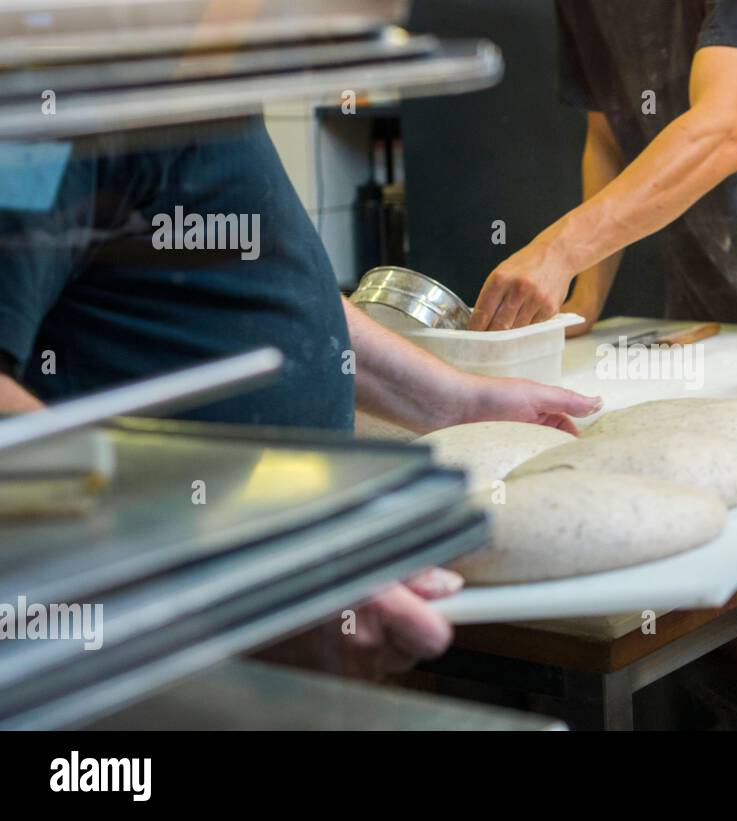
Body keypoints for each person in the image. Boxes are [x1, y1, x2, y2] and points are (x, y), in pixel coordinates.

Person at [0, 116, 601, 680]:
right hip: (144, 633)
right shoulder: (48, 107)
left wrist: (456, 401)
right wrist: (247, 557)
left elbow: (263, 284)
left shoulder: (190, 71)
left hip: (264, 590)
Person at [468, 0, 737, 335]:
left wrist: (559, 251)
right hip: (705, 283)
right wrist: (585, 299)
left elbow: (721, 132)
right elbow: (608, 135)